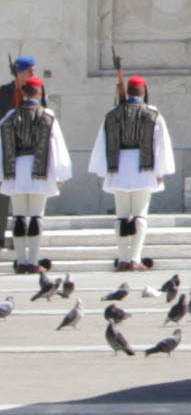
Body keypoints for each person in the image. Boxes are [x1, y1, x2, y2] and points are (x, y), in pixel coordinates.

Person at [88, 72, 175, 271]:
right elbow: (161, 145)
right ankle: (135, 258)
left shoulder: (112, 114)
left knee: (122, 216)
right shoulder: (153, 114)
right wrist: (161, 171)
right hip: (143, 169)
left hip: (118, 169)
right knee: (139, 216)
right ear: (144, 92)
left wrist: (104, 171)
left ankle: (123, 258)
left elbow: (103, 142)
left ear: (128, 92)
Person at [1, 67, 68, 272]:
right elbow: (56, 147)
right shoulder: (47, 117)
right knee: (36, 216)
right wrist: (60, 173)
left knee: (19, 217)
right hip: (39, 170)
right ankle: (32, 260)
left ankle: (21, 261)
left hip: (16, 171)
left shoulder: (9, 117)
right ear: (39, 93)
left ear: (22, 93)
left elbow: (2, 147)